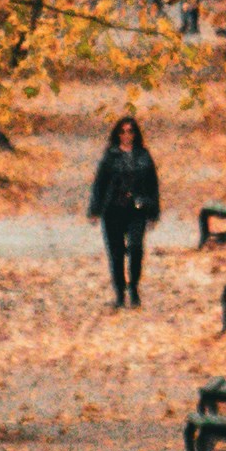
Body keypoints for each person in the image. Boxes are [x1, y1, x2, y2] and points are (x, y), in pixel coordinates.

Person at [89, 110, 161, 308]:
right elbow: (99, 184)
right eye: (122, 131)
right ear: (117, 134)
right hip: (113, 210)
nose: (126, 135)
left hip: (137, 210)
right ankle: (120, 292)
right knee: (116, 253)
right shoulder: (110, 157)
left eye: (130, 131)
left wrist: (154, 212)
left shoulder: (144, 156)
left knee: (136, 248)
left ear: (136, 134)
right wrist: (94, 210)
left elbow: (153, 185)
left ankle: (134, 286)